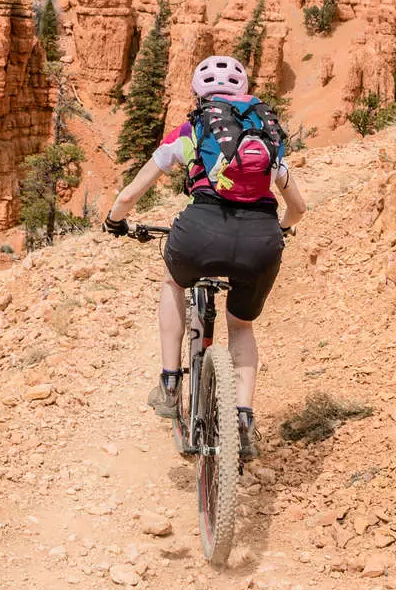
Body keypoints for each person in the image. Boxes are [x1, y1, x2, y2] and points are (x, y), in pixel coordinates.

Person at [103, 55, 306, 459]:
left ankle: (169, 382)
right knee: (242, 327)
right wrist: (278, 231)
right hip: (261, 241)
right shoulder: (265, 133)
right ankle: (244, 418)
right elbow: (298, 207)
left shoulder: (191, 129)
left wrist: (115, 221)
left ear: (199, 93)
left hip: (200, 231)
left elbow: (130, 194)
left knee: (172, 282)